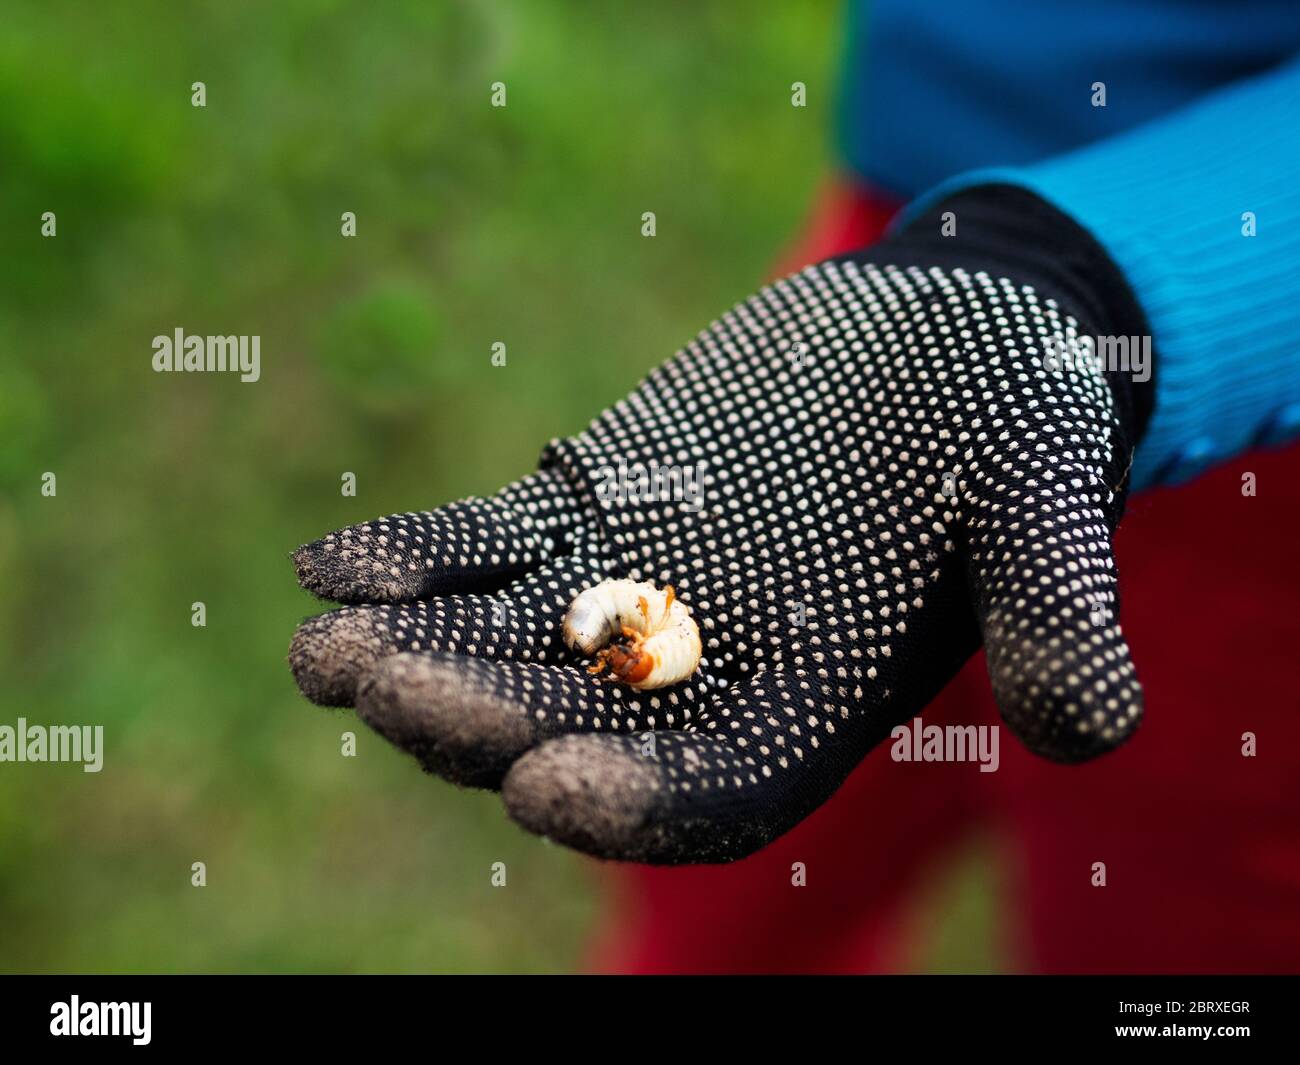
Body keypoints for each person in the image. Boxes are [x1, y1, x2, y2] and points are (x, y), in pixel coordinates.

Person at [289, 4, 1300, 972]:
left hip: (1234, 398)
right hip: (901, 274)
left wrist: (1098, 272)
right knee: (720, 879)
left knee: (1166, 943)